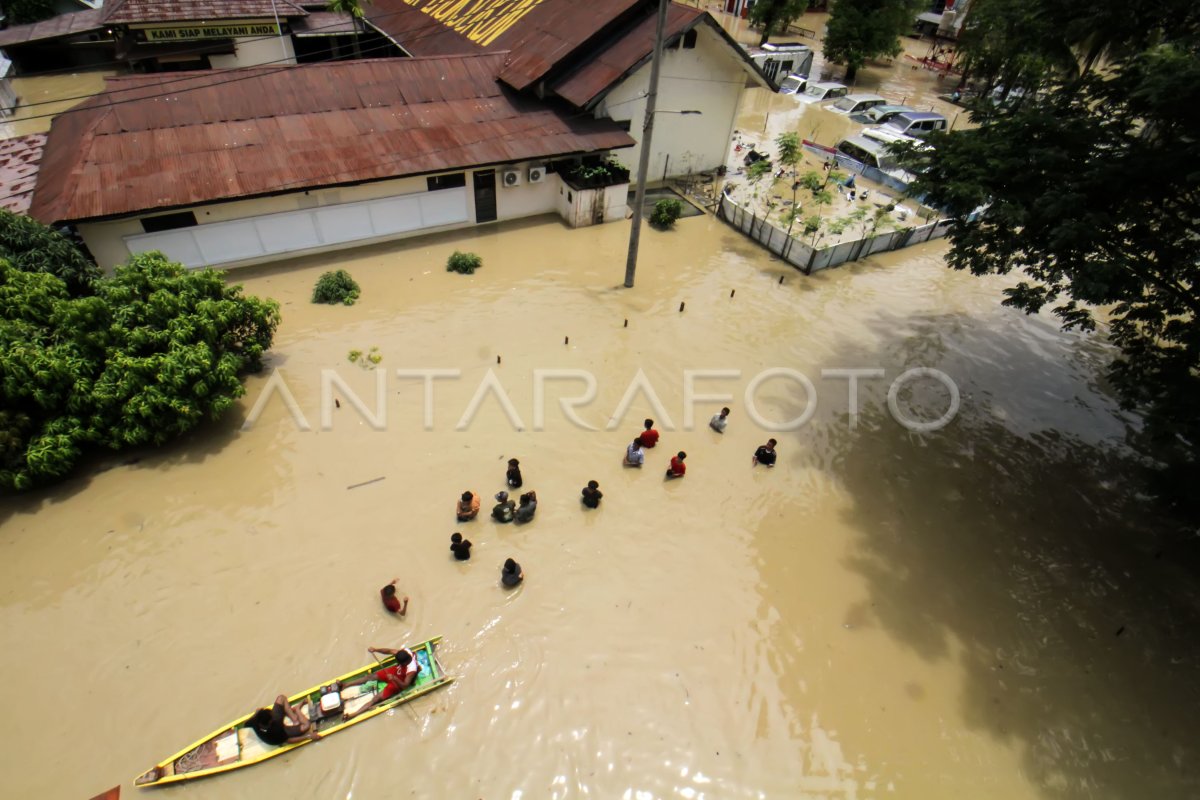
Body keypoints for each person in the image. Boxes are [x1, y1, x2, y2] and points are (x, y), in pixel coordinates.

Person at [341, 647, 421, 720]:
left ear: (404, 663)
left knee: (376, 698)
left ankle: (354, 714)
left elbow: (405, 685)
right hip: (394, 671)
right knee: (371, 677)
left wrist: (394, 678)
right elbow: (389, 651)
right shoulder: (405, 652)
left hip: (398, 682)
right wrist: (376, 650)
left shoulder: (411, 669)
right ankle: (346, 685)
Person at [250, 695, 319, 745]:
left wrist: (257, 713)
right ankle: (297, 710)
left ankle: (294, 719)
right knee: (307, 725)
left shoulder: (254, 721)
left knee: (281, 698)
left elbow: (246, 723)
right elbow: (289, 740)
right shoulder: (277, 732)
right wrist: (309, 736)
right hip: (278, 733)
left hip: (272, 724)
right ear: (271, 720)